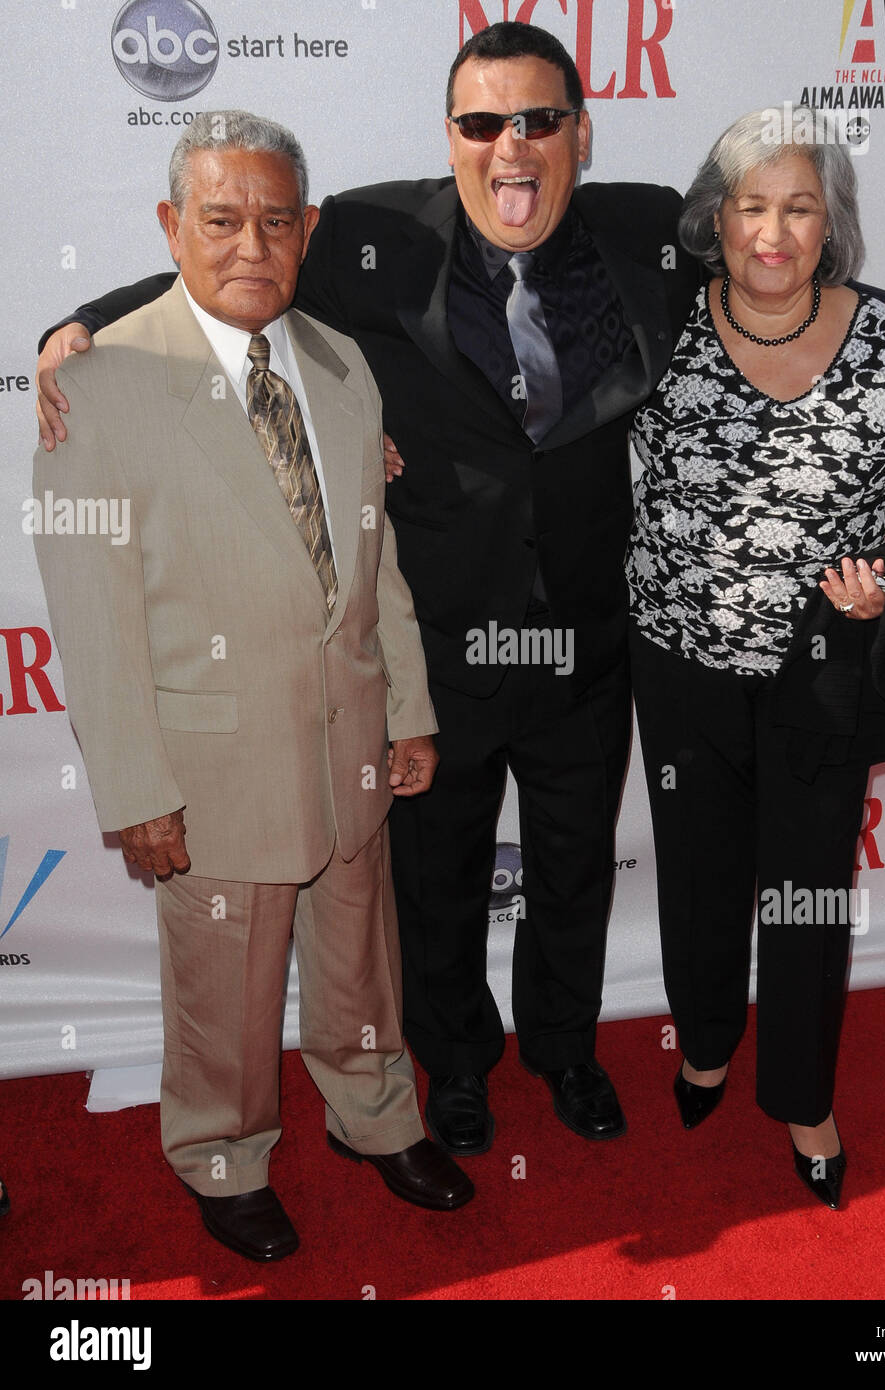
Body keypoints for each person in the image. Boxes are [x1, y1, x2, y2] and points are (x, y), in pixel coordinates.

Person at [34, 24, 885, 1158]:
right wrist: (77, 331)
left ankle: (564, 1050)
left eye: (536, 120)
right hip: (435, 647)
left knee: (572, 867)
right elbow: (230, 265)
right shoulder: (369, 235)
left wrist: (883, 312)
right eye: (482, 123)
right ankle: (455, 1066)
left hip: (590, 641)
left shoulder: (640, 234)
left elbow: (773, 259)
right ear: (451, 136)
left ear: (578, 130)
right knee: (435, 881)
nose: (509, 147)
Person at [32, 111, 473, 1262]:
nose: (250, 245)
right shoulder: (104, 382)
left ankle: (376, 1118)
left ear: (309, 230)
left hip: (351, 739)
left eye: (276, 221)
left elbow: (375, 565)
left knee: (357, 955)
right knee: (223, 988)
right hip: (208, 763)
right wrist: (136, 786)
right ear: (171, 227)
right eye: (220, 220)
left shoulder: (338, 362)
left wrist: (410, 707)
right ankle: (223, 1155)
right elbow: (92, 618)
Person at [626, 108, 885, 1207]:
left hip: (823, 667)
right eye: (748, 206)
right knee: (695, 866)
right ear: (712, 219)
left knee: (807, 892)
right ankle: (705, 1043)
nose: (770, 232)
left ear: (830, 225)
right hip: (676, 657)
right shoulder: (655, 317)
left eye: (798, 207)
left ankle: (804, 1094)